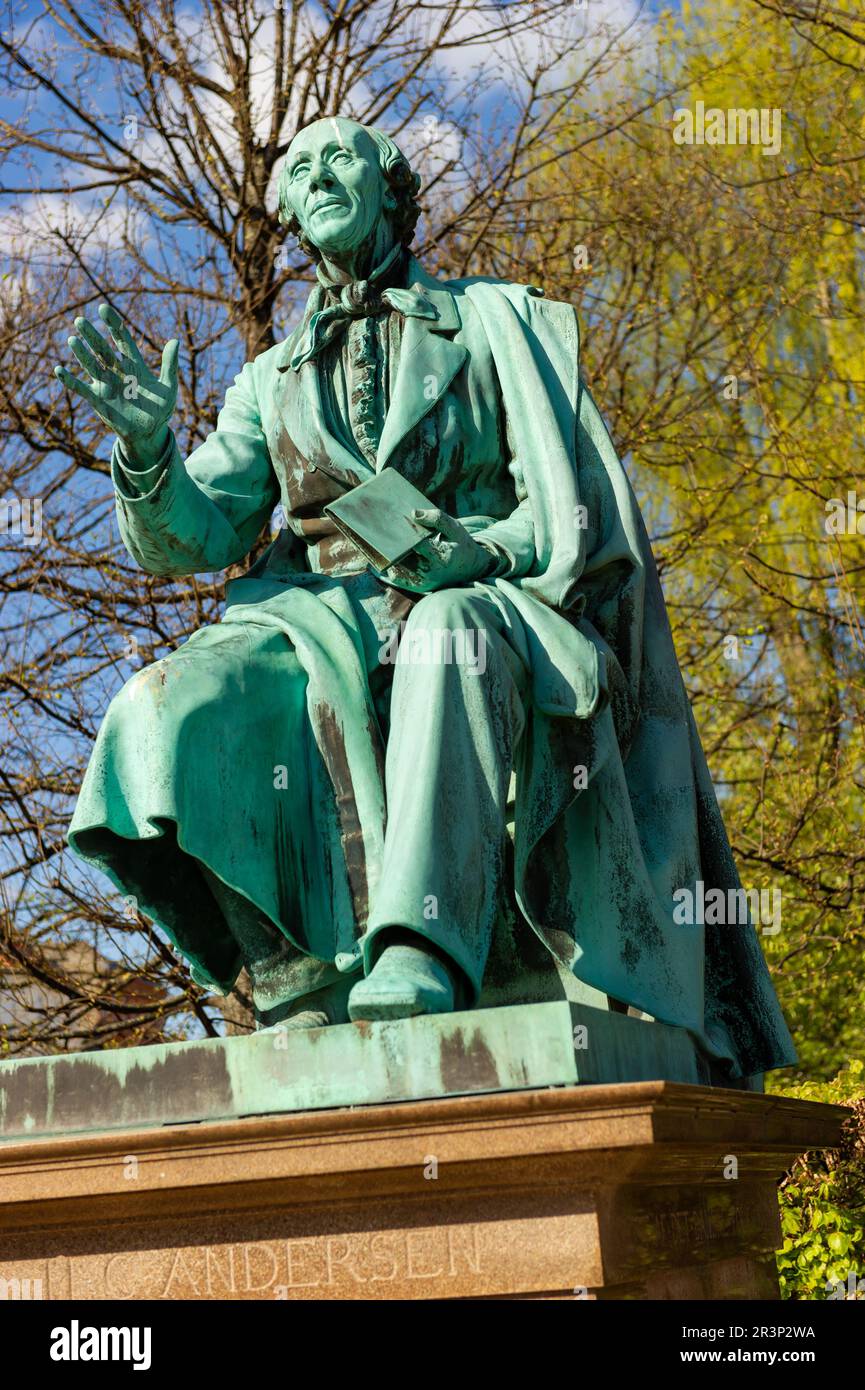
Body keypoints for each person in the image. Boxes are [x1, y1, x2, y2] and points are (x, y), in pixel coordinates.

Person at [59, 117, 796, 1084]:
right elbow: (195, 537)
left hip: (492, 601)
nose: (322, 174)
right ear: (287, 209)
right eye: (302, 167)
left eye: (342, 158)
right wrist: (150, 455)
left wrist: (475, 550)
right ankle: (297, 981)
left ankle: (423, 950)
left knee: (446, 637)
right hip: (319, 618)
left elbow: (577, 514)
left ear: (390, 188)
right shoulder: (267, 380)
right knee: (166, 704)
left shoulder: (497, 325)